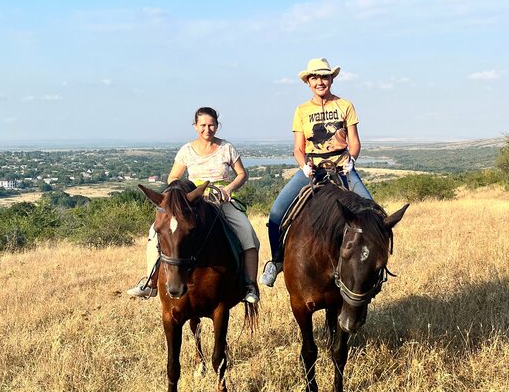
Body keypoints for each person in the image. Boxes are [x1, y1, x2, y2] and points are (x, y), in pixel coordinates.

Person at [128, 107, 260, 304]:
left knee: (247, 233)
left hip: (220, 200)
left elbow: (242, 174)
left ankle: (250, 284)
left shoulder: (227, 148)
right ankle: (150, 282)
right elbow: (173, 177)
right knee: (154, 233)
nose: (207, 129)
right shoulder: (187, 150)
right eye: (203, 125)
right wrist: (182, 194)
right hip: (191, 203)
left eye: (212, 125)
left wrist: (229, 189)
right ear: (195, 126)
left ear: (217, 125)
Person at [261, 57, 373, 287]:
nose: (320, 81)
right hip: (312, 169)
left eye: (324, 76)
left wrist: (351, 160)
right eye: (315, 77)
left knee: (373, 214)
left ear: (331, 79)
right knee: (275, 214)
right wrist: (304, 165)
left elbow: (354, 142)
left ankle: (372, 266)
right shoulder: (301, 111)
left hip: (342, 166)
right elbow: (298, 148)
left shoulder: (345, 105)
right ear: (308, 82)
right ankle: (276, 261)